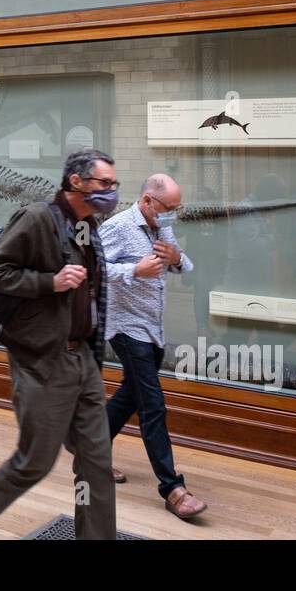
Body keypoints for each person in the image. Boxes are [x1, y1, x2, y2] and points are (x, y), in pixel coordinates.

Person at [0, 149, 117, 540]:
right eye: (104, 184)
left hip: (83, 360)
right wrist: (50, 282)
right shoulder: (37, 218)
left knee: (97, 462)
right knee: (36, 461)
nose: (111, 191)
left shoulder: (86, 225)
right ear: (75, 182)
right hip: (42, 362)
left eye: (114, 184)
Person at [100, 173, 206, 519]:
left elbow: (185, 264)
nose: (173, 214)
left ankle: (89, 447)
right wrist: (135, 270)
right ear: (147, 201)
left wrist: (175, 257)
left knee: (130, 395)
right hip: (127, 329)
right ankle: (172, 488)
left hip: (154, 329)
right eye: (168, 208)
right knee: (152, 405)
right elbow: (91, 269)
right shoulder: (117, 227)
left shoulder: (162, 226)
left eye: (177, 208)